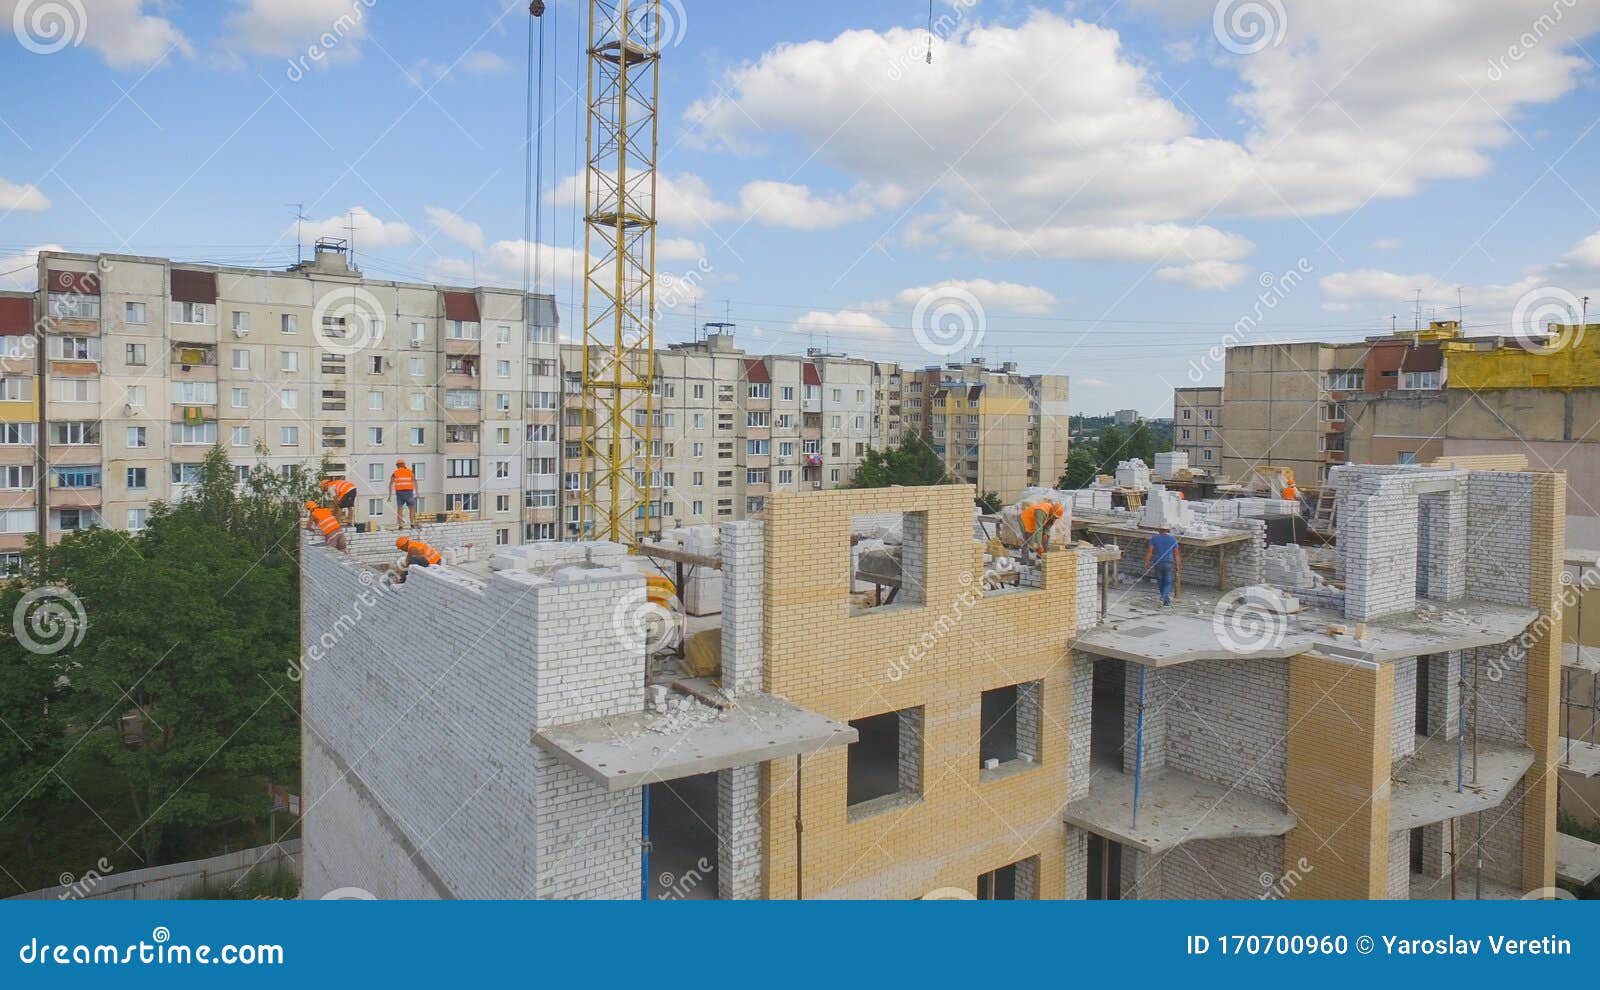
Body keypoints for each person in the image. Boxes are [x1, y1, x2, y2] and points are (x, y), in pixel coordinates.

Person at [1145, 525, 1181, 605]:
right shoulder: (1173, 539)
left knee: (1160, 581)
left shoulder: (1154, 538)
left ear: (1159, 530)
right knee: (1168, 582)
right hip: (1168, 563)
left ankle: (1165, 600)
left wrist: (1147, 562)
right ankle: (1164, 598)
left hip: (1157, 562)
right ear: (1168, 530)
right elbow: (1176, 554)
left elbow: (1150, 552)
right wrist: (1178, 565)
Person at [389, 458, 417, 529]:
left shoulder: (395, 473)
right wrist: (417, 492)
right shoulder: (410, 471)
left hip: (399, 492)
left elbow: (391, 483)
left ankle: (400, 525)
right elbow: (415, 481)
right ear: (404, 465)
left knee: (400, 508)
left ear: (397, 466)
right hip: (409, 492)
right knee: (411, 508)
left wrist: (390, 496)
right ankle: (412, 523)